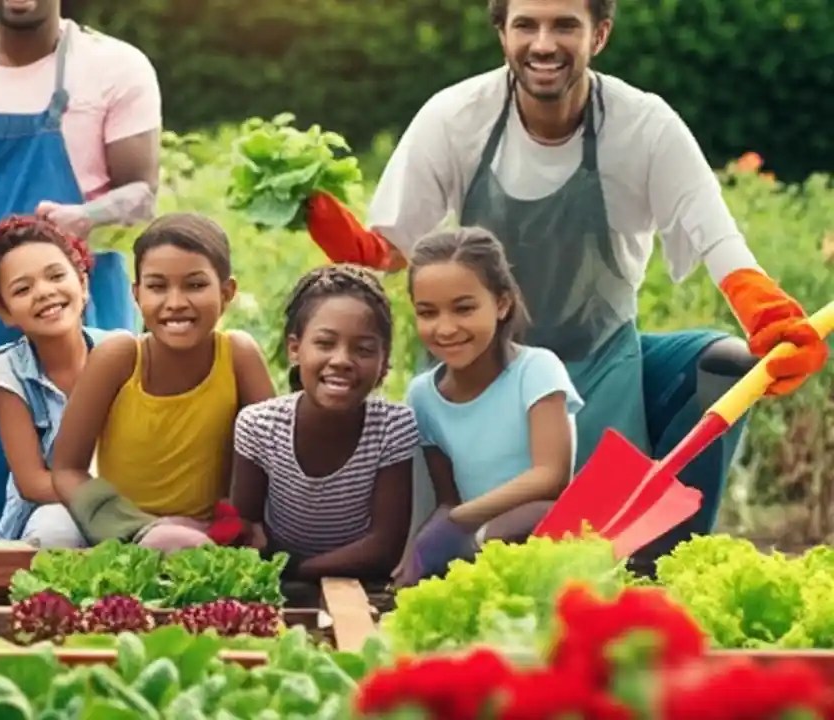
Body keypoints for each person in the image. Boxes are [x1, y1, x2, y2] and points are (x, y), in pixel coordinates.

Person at [301, 0, 829, 565]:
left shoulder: (643, 126)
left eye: (565, 26)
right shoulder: (455, 118)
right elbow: (390, 248)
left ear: (599, 35)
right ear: (502, 34)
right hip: (481, 379)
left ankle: (670, 562)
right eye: (526, 24)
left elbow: (714, 235)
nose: (544, 43)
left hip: (602, 372)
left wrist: (766, 314)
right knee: (465, 561)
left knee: (725, 366)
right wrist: (332, 226)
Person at [0, 0, 162, 545]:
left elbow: (141, 194)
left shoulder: (115, 67)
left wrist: (83, 218)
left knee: (89, 461)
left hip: (81, 305)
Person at [51, 214, 276, 551]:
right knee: (51, 532)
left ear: (227, 292)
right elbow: (67, 469)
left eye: (195, 285)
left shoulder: (238, 356)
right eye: (157, 287)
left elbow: (273, 461)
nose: (175, 303)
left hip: (211, 539)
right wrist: (136, 528)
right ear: (137, 295)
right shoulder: (120, 358)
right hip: (120, 534)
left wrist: (243, 522)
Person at [394, 228, 584, 587]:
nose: (445, 328)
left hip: (539, 532)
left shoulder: (536, 369)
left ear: (502, 304)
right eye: (428, 312)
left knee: (526, 521)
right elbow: (446, 498)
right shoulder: (422, 395)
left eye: (464, 308)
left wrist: (461, 524)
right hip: (475, 535)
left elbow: (551, 476)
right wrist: (416, 552)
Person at [231, 265, 416, 581]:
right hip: (275, 582)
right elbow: (244, 529)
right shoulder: (258, 426)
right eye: (325, 343)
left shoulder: (392, 427)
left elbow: (385, 546)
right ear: (295, 349)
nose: (342, 360)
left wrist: (294, 571)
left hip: (358, 582)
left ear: (384, 364)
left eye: (364, 349)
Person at [0, 216, 122, 548]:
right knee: (57, 532)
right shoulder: (8, 370)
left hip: (131, 493)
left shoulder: (120, 351)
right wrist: (105, 501)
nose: (44, 292)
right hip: (51, 506)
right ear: (5, 312)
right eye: (23, 289)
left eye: (56, 276)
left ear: (83, 286)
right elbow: (31, 482)